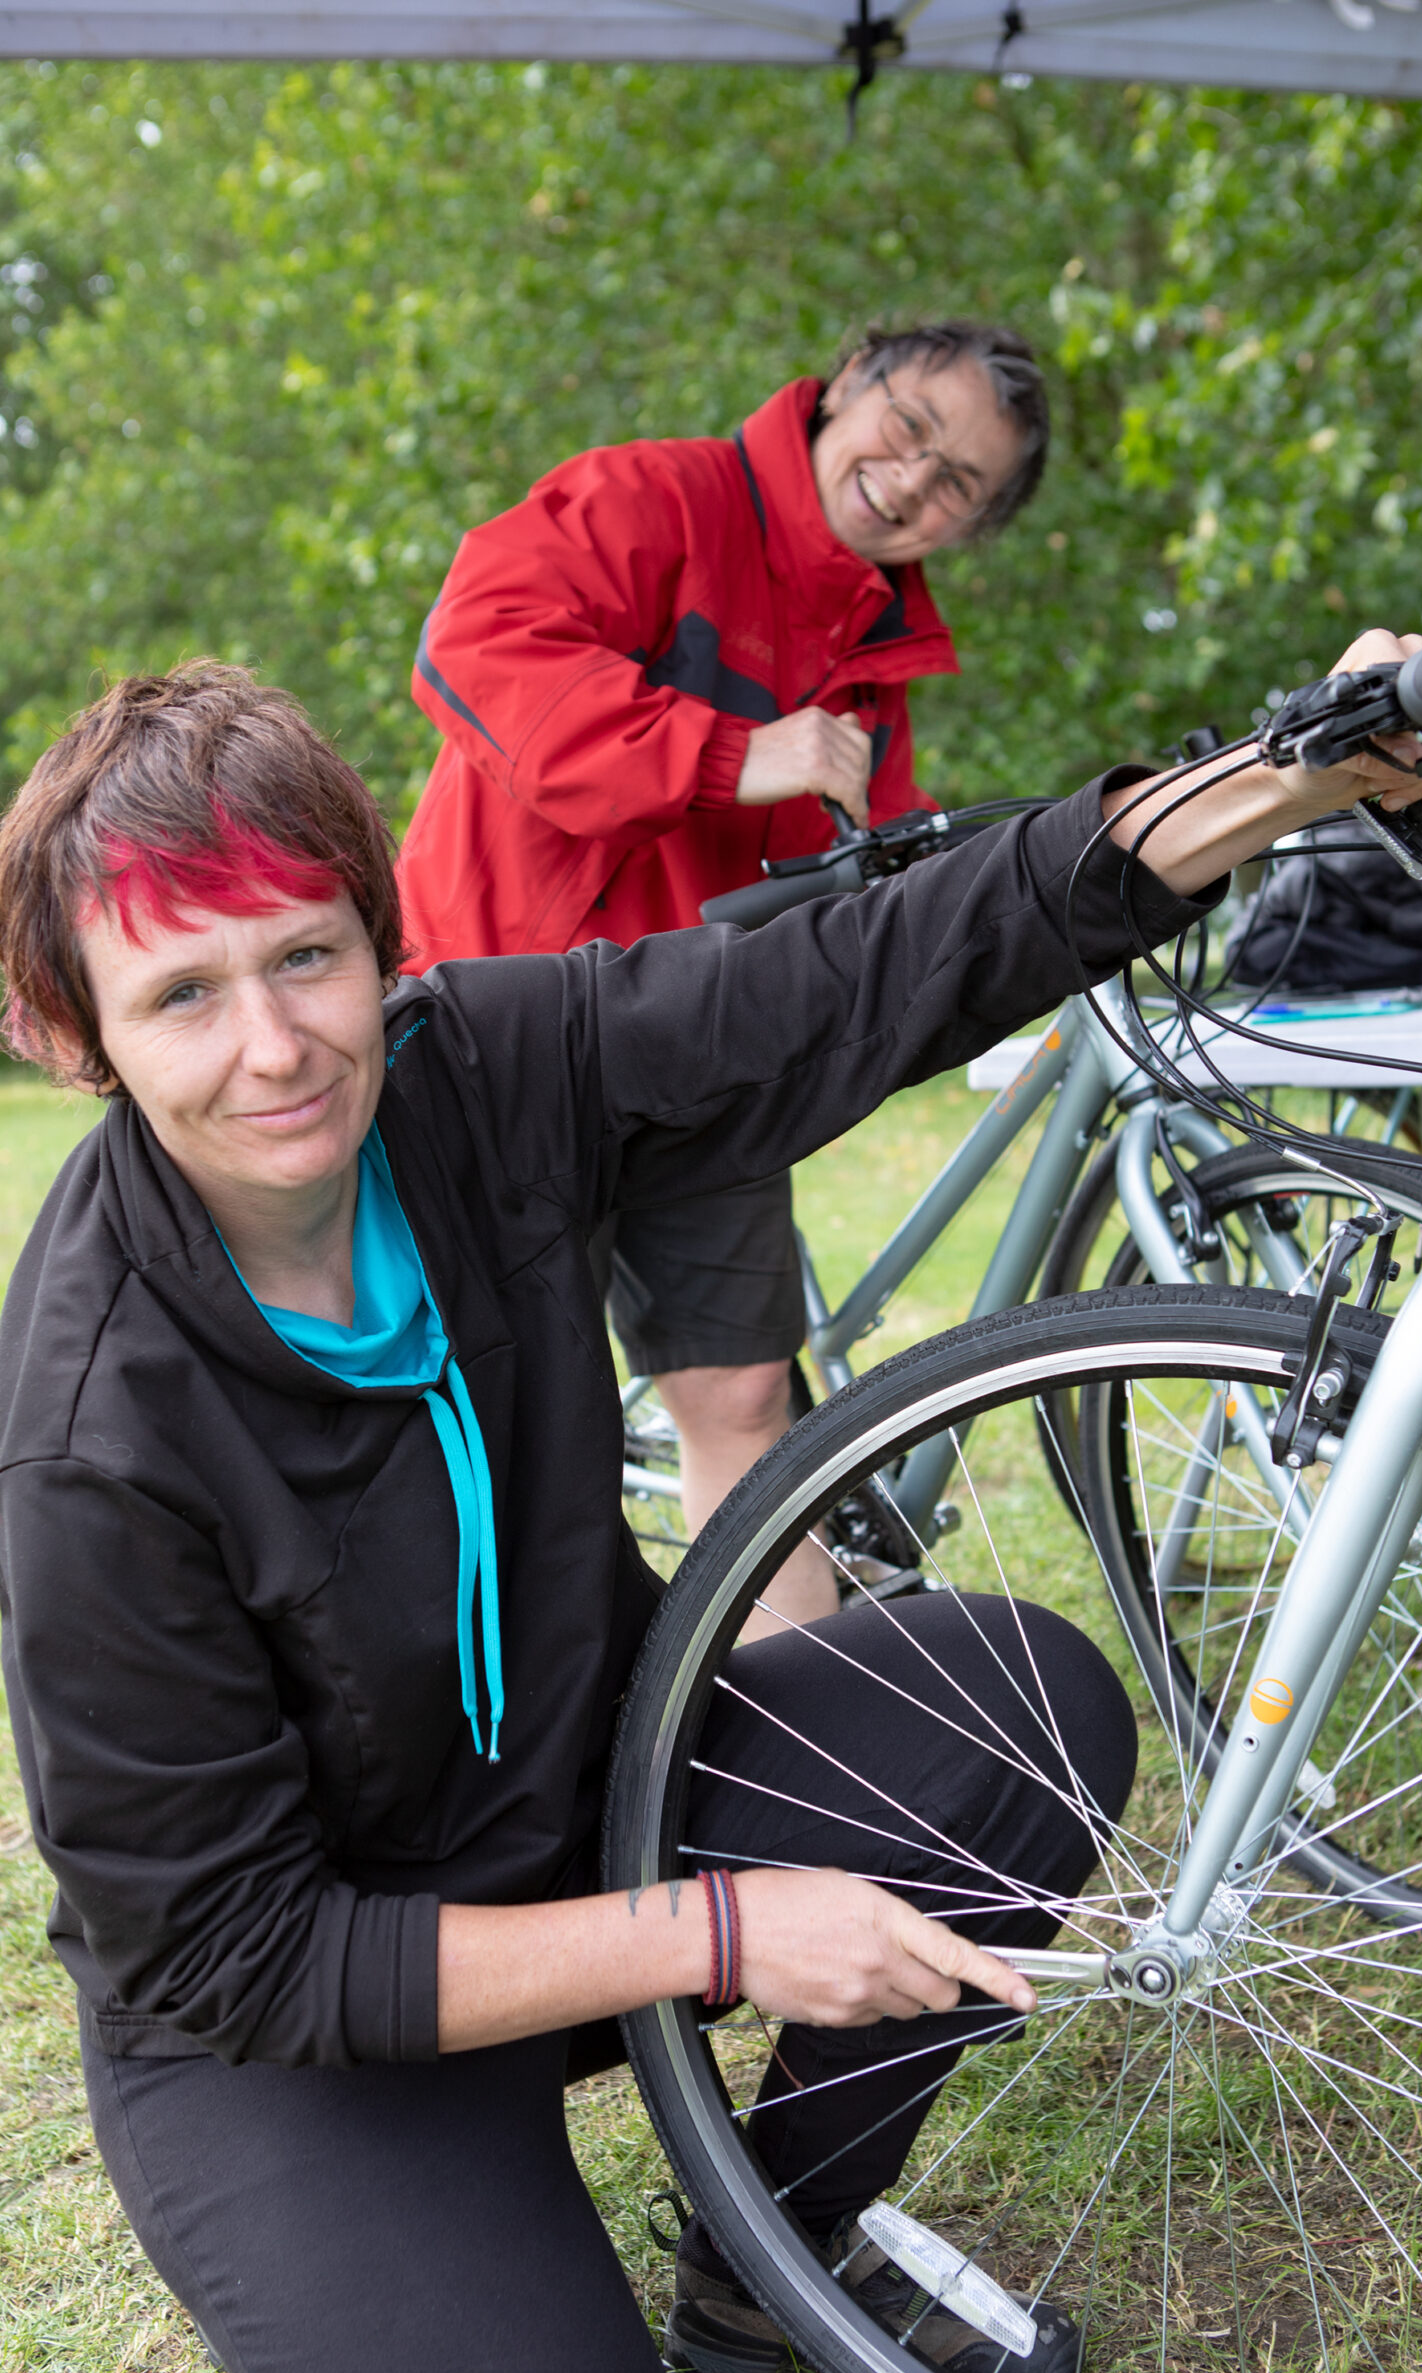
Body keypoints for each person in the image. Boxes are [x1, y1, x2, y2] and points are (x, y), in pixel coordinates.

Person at [0, 641, 1422, 2373]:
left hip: (586, 1799)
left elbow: (849, 971)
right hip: (307, 2031)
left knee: (1018, 1708)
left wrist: (1279, 786)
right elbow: (239, 1958)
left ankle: (772, 2269)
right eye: (181, 994)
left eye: (306, 956)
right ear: (79, 1034)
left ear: (377, 933)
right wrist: (715, 1931)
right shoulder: (97, 1433)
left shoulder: (483, 1067)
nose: (273, 1047)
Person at [394, 322, 1050, 1628]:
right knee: (504, 1414)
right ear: (849, 384)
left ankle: (791, 1762)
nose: (916, 480)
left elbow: (876, 876)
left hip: (702, 1053)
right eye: (912, 428)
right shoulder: (656, 499)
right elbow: (476, 645)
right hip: (509, 1022)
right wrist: (725, 753)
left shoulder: (875, 660)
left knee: (746, 1398)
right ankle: (502, 1774)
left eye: (960, 483)